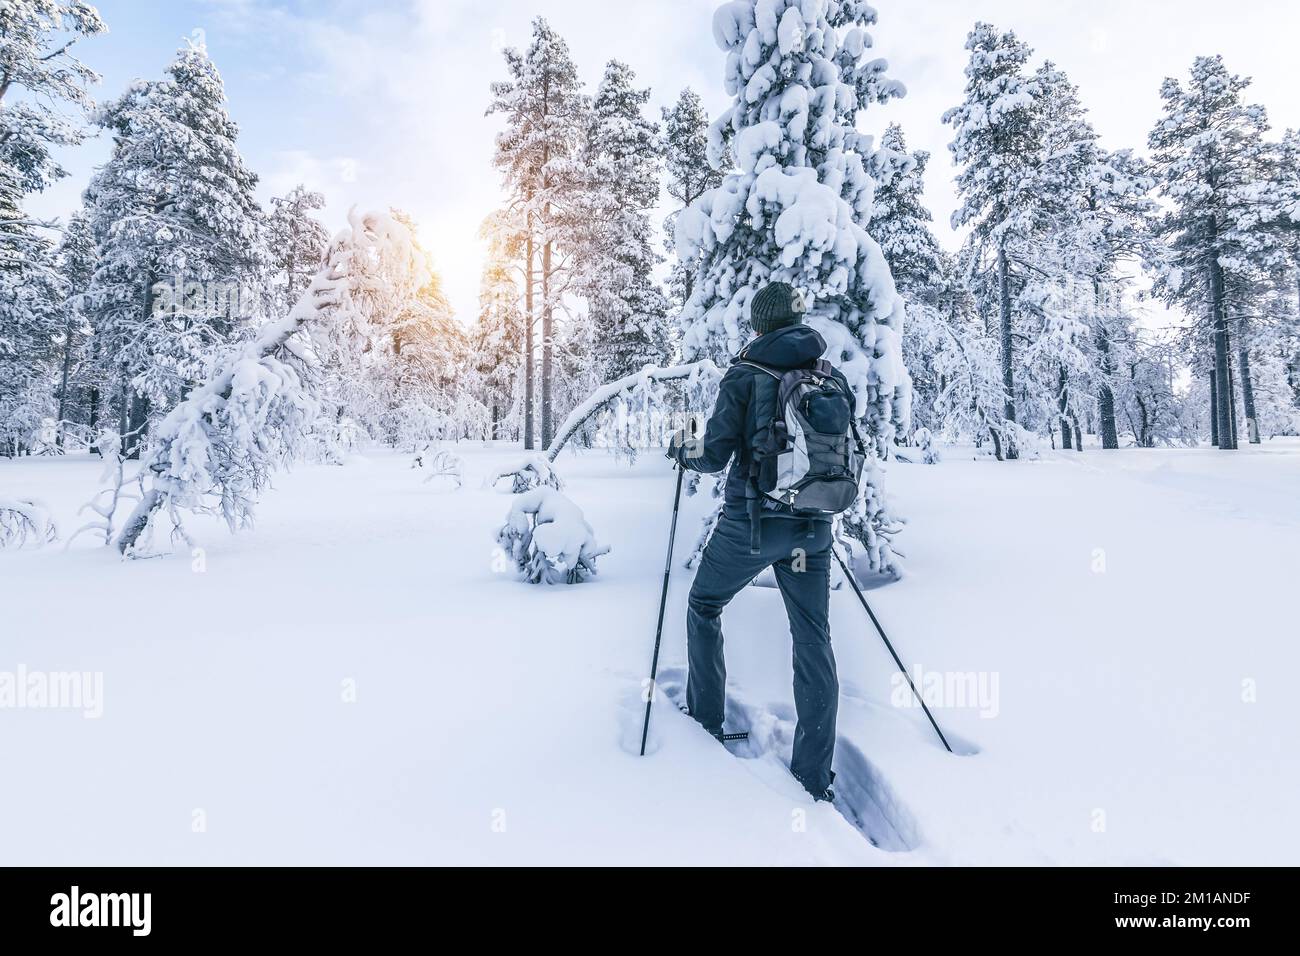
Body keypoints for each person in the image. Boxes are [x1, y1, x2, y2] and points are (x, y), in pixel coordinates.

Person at [667, 281, 845, 801]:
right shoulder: (826, 373)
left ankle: (704, 722)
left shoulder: (745, 374)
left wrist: (683, 449)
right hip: (812, 527)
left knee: (703, 604)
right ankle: (813, 775)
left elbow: (715, 454)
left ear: (760, 324)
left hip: (751, 525)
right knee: (813, 638)